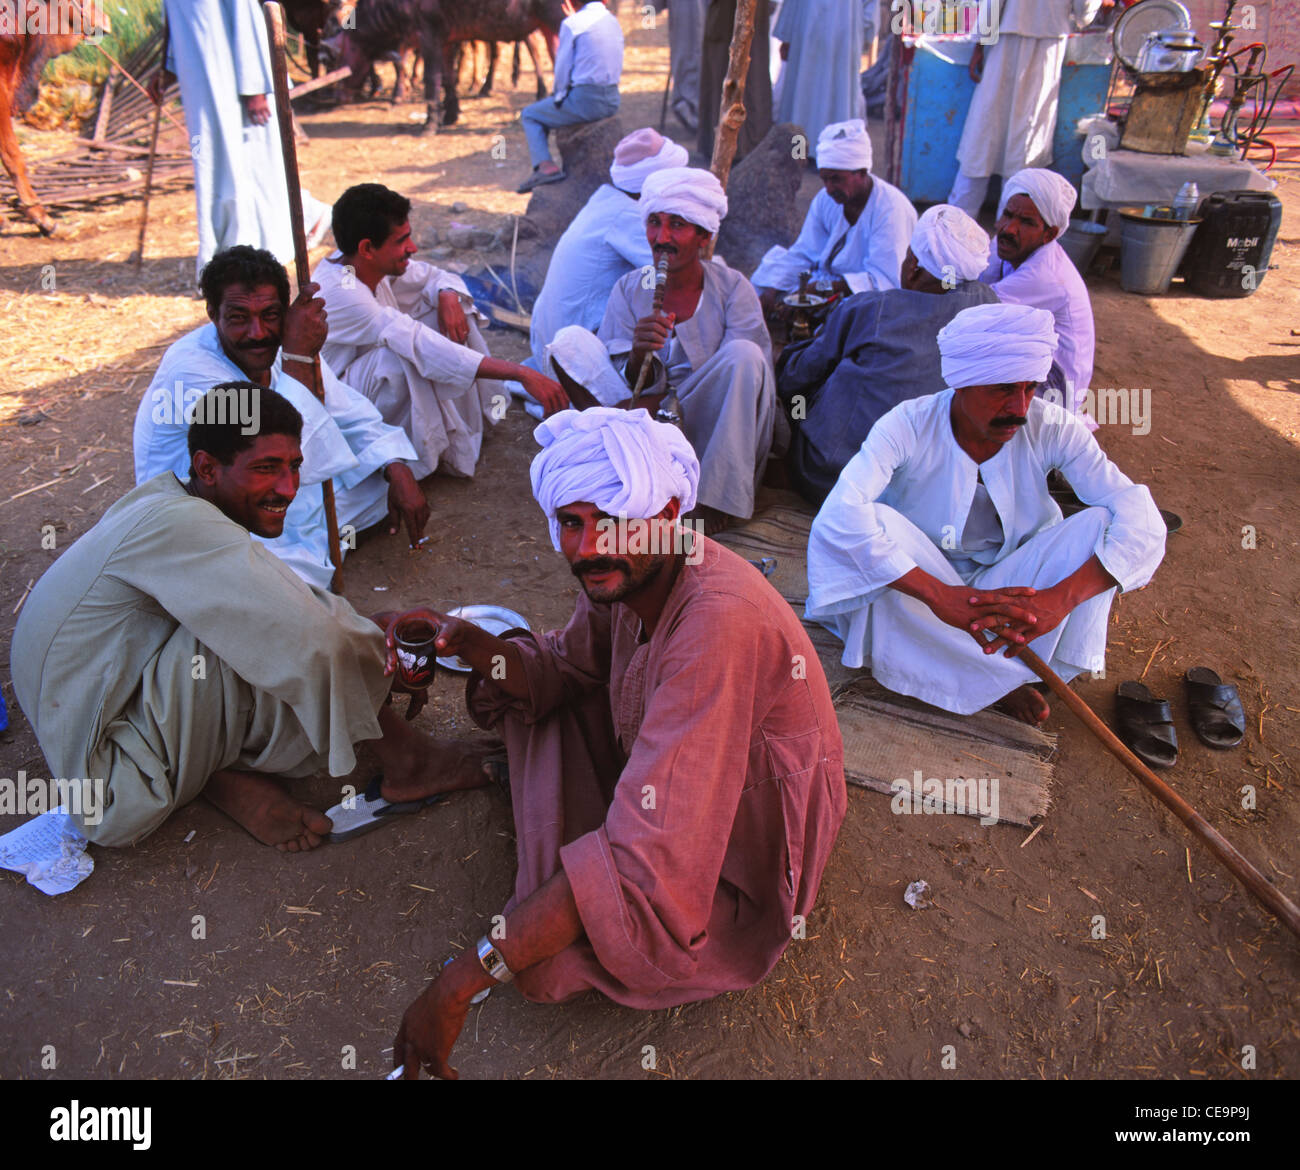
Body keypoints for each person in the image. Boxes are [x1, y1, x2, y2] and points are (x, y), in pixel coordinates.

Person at [388, 408, 847, 1079]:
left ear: (665, 511)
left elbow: (647, 858)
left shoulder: (716, 624)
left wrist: (460, 982)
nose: (588, 546)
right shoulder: (630, 576)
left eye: (610, 520)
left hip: (749, 835)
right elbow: (564, 668)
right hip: (678, 770)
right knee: (537, 703)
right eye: (572, 523)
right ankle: (572, 883)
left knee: (545, 964)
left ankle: (577, 892)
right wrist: (477, 647)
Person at [14, 386, 497, 852]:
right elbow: (311, 632)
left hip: (97, 718)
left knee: (269, 619)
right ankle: (412, 762)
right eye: (266, 469)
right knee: (283, 632)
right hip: (113, 791)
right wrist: (381, 655)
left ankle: (220, 778)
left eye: (294, 467)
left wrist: (367, 628)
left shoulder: (165, 502)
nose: (287, 488)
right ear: (206, 467)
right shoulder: (180, 522)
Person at [806, 303, 1165, 725]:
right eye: (1002, 389)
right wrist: (940, 597)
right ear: (961, 383)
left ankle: (986, 674)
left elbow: (1138, 514)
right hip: (926, 584)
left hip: (1015, 584)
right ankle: (1002, 679)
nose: (1019, 406)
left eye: (1030, 388)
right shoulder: (906, 424)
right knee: (875, 524)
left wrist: (1057, 599)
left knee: (1099, 523)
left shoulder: (1052, 426)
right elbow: (838, 515)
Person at [134, 246, 425, 591]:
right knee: (272, 582)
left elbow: (346, 411)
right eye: (239, 318)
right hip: (215, 507)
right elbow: (267, 455)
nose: (257, 333)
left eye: (270, 315)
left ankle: (309, 550)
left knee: (387, 479)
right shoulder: (191, 372)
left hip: (278, 484)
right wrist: (299, 358)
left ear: (286, 314)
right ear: (213, 314)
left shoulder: (277, 348)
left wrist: (396, 466)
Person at [543, 166, 777, 530]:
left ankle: (712, 505)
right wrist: (638, 353)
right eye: (654, 222)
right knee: (568, 343)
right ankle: (630, 462)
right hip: (650, 419)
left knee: (744, 354)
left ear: (703, 235)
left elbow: (742, 383)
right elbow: (625, 383)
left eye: (677, 225)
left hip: (713, 432)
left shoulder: (733, 288)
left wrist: (661, 403)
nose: (661, 237)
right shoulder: (629, 288)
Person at [313, 184, 567, 478]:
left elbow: (434, 276)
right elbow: (418, 343)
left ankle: (467, 430)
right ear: (367, 249)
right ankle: (415, 457)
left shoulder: (359, 262)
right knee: (400, 357)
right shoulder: (342, 291)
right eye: (402, 240)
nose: (412, 248)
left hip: (367, 382)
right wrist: (521, 373)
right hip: (338, 405)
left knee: (454, 308)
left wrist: (447, 294)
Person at [778, 204, 1000, 504]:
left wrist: (799, 350)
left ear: (914, 267)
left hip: (837, 479)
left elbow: (797, 375)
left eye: (909, 254)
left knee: (795, 389)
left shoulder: (872, 309)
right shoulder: (986, 304)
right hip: (928, 489)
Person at [153, 0, 331, 280]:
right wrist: (167, 70)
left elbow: (247, 19)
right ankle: (232, 251)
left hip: (238, 88)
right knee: (218, 169)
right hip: (202, 88)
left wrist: (256, 87)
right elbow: (183, 28)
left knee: (252, 166)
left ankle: (295, 225)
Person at [529, 127, 689, 368]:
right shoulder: (628, 215)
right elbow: (683, 273)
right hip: (573, 357)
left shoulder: (608, 202)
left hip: (550, 341)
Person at [947, 0, 1107, 216]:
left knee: (984, 133)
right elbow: (1085, 11)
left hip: (1009, 38)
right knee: (1026, 138)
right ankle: (1010, 226)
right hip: (1047, 42)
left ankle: (955, 223)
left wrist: (979, 44)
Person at [752, 118, 917, 312]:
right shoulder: (825, 199)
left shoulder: (891, 209)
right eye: (824, 180)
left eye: (836, 179)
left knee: (857, 312)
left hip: (867, 292)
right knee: (765, 279)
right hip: (825, 279)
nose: (829, 189)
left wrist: (821, 289)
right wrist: (774, 286)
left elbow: (884, 280)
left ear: (862, 172)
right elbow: (805, 252)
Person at [979, 168, 1096, 422]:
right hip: (1032, 360)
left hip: (1054, 388)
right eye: (1008, 215)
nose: (1009, 228)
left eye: (1027, 222)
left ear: (1050, 234)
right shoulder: (1008, 243)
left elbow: (974, 307)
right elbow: (977, 279)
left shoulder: (1046, 275)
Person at [517, 0, 624, 193]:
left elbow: (562, 69)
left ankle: (545, 166)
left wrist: (558, 98)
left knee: (530, 115)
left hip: (587, 100)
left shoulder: (572, 24)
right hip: (612, 98)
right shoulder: (612, 21)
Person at [772, 0, 864, 150]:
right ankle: (832, 152)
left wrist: (786, 34)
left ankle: (799, 151)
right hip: (841, 38)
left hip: (809, 35)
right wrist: (864, 31)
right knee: (837, 97)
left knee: (803, 99)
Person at [697, 0, 772, 161]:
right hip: (724, 20)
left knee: (752, 71)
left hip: (749, 18)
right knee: (724, 72)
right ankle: (723, 145)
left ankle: (746, 145)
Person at [666, 0, 707, 132]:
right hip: (685, 31)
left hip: (709, 29)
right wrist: (648, 24)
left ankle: (695, 110)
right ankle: (688, 108)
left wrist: (648, 24)